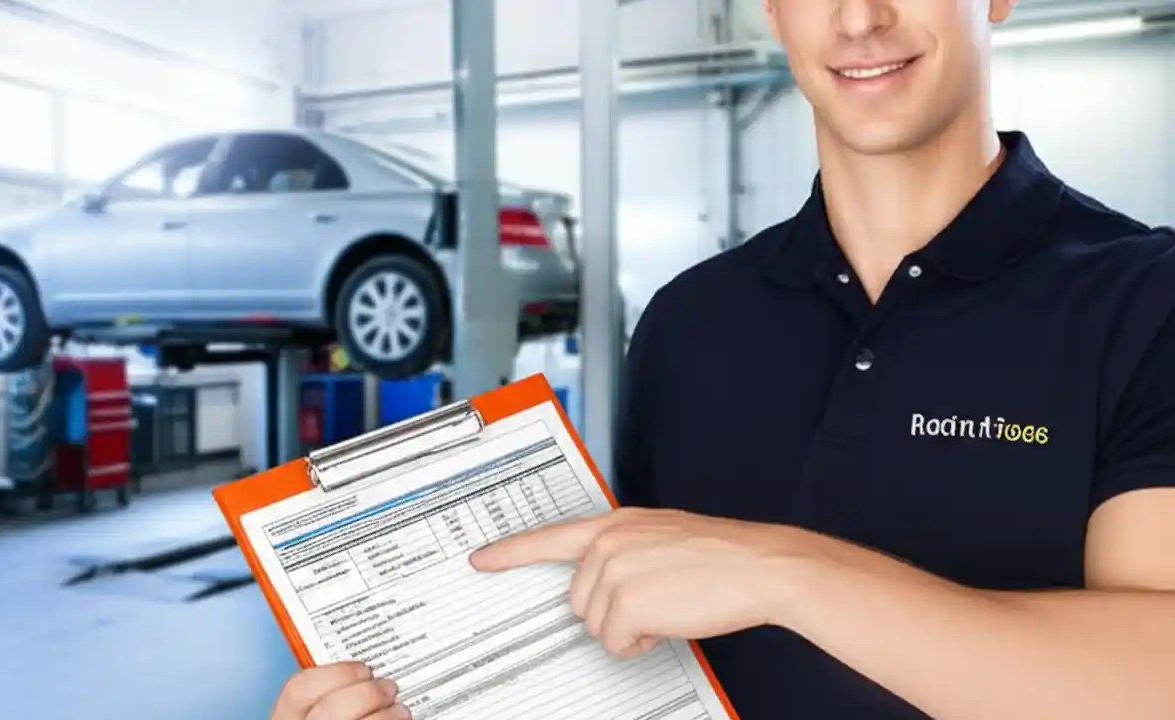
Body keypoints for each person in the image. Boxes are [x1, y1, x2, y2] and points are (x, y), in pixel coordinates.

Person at [270, 1, 1175, 718]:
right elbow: (635, 669)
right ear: (772, 9)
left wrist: (779, 574)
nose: (859, 17)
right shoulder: (687, 325)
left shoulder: (1144, 299)